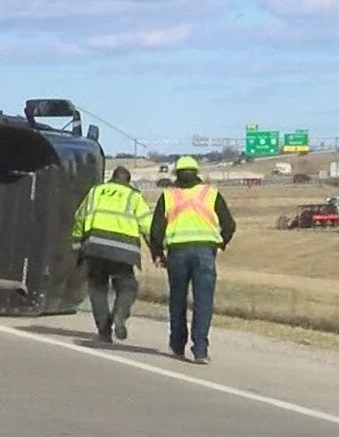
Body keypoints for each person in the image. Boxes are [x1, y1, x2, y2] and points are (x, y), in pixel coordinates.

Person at [149, 155, 237, 363]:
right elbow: (230, 225)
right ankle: (200, 350)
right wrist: (219, 243)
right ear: (196, 173)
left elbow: (156, 230)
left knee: (177, 301)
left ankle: (177, 345)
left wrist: (158, 253)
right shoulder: (211, 193)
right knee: (203, 302)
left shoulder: (168, 195)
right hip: (205, 253)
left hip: (177, 254)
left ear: (176, 174)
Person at [70, 165, 153, 343]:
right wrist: (156, 249)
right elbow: (147, 225)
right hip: (124, 251)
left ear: (112, 178)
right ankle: (120, 315)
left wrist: (77, 244)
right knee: (127, 286)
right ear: (127, 181)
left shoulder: (96, 192)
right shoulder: (134, 196)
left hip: (95, 247)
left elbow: (79, 218)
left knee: (97, 288)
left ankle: (104, 331)